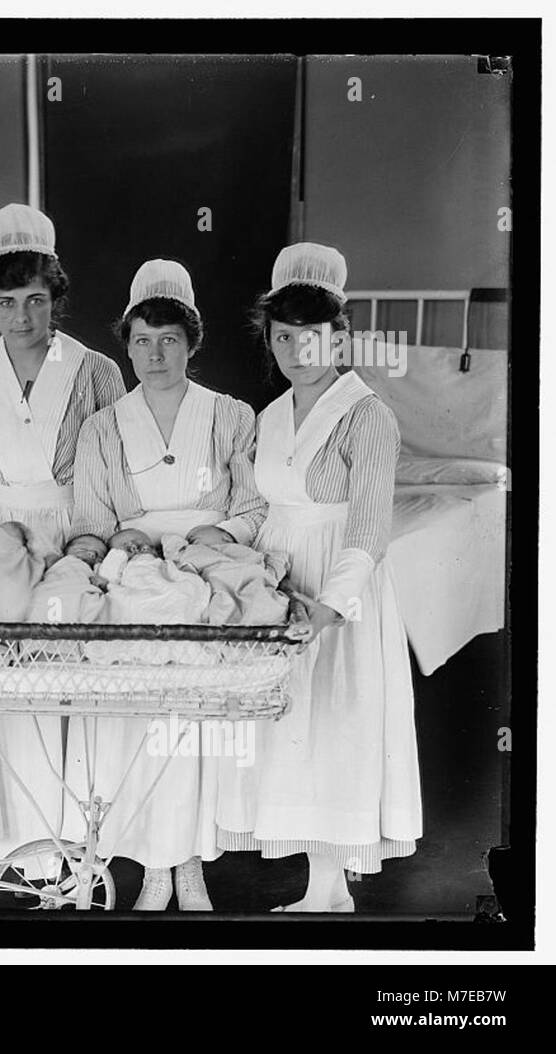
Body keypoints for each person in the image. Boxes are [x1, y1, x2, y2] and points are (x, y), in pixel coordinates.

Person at [215, 243, 421, 911]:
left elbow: (368, 528)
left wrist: (330, 609)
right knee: (291, 732)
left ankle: (334, 887)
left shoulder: (368, 416)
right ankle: (321, 886)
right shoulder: (269, 419)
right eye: (284, 337)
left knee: (337, 727)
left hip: (338, 594)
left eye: (313, 336)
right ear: (269, 338)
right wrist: (222, 539)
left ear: (340, 335)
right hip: (280, 586)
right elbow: (260, 508)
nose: (298, 351)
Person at [64, 259, 267, 910]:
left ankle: (191, 865)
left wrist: (216, 538)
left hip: (209, 569)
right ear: (127, 346)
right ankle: (154, 863)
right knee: (142, 712)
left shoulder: (230, 416)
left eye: (170, 340)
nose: (155, 354)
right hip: (139, 575)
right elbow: (93, 521)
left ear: (192, 343)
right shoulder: (103, 427)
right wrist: (109, 547)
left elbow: (257, 506)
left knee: (192, 718)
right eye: (143, 341)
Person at [0, 202, 126, 870]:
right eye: (8, 302)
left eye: (38, 301)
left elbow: (112, 474)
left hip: (79, 540)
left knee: (77, 695)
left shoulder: (97, 371)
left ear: (57, 299)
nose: (23, 318)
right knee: (12, 695)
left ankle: (85, 846)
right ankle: (24, 854)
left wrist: (87, 549)